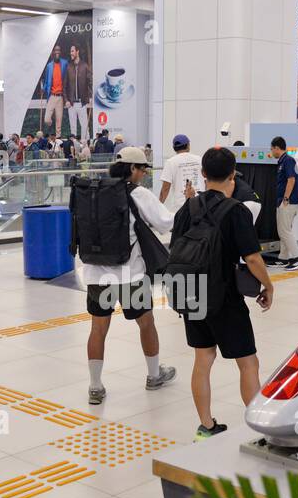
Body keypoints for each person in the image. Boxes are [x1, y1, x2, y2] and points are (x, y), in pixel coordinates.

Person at [172, 147, 274, 440]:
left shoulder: (186, 210)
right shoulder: (236, 211)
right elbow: (253, 259)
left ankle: (205, 426)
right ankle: (259, 429)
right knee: (248, 362)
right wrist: (268, 285)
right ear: (232, 175)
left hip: (192, 293)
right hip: (225, 296)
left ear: (203, 174)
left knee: (202, 359)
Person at [78, 147, 177, 404]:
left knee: (98, 328)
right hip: (129, 274)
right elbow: (166, 223)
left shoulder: (94, 191)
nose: (143, 174)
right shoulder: (138, 193)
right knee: (146, 323)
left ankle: (95, 386)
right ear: (132, 168)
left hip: (96, 273)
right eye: (142, 169)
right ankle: (154, 375)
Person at [270, 136, 298, 270]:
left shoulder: (288, 160)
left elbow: (291, 180)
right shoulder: (283, 161)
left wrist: (286, 198)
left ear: (277, 148)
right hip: (284, 202)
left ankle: (297, 258)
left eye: (272, 149)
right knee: (284, 230)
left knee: (284, 231)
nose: (271, 152)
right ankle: (283, 258)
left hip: (288, 202)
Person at [159, 133, 202, 214]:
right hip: (200, 203)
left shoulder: (170, 162)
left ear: (174, 148)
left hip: (180, 207)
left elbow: (165, 188)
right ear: (188, 145)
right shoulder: (199, 159)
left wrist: (158, 207)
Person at [40, 44, 68, 139]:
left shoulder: (65, 63)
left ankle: (58, 138)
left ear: (60, 52)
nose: (57, 51)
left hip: (60, 97)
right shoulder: (49, 66)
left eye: (58, 50)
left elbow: (67, 78)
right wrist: (43, 88)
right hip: (52, 96)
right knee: (47, 119)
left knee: (59, 120)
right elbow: (47, 80)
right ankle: (51, 126)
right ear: (53, 52)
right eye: (55, 50)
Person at [65, 44, 91, 142]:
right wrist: (66, 100)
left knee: (84, 125)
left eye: (72, 51)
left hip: (81, 102)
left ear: (77, 51)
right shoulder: (68, 67)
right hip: (71, 104)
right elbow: (64, 86)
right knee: (73, 127)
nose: (71, 53)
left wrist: (90, 97)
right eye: (70, 51)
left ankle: (86, 145)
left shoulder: (84, 66)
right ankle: (74, 147)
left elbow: (90, 81)